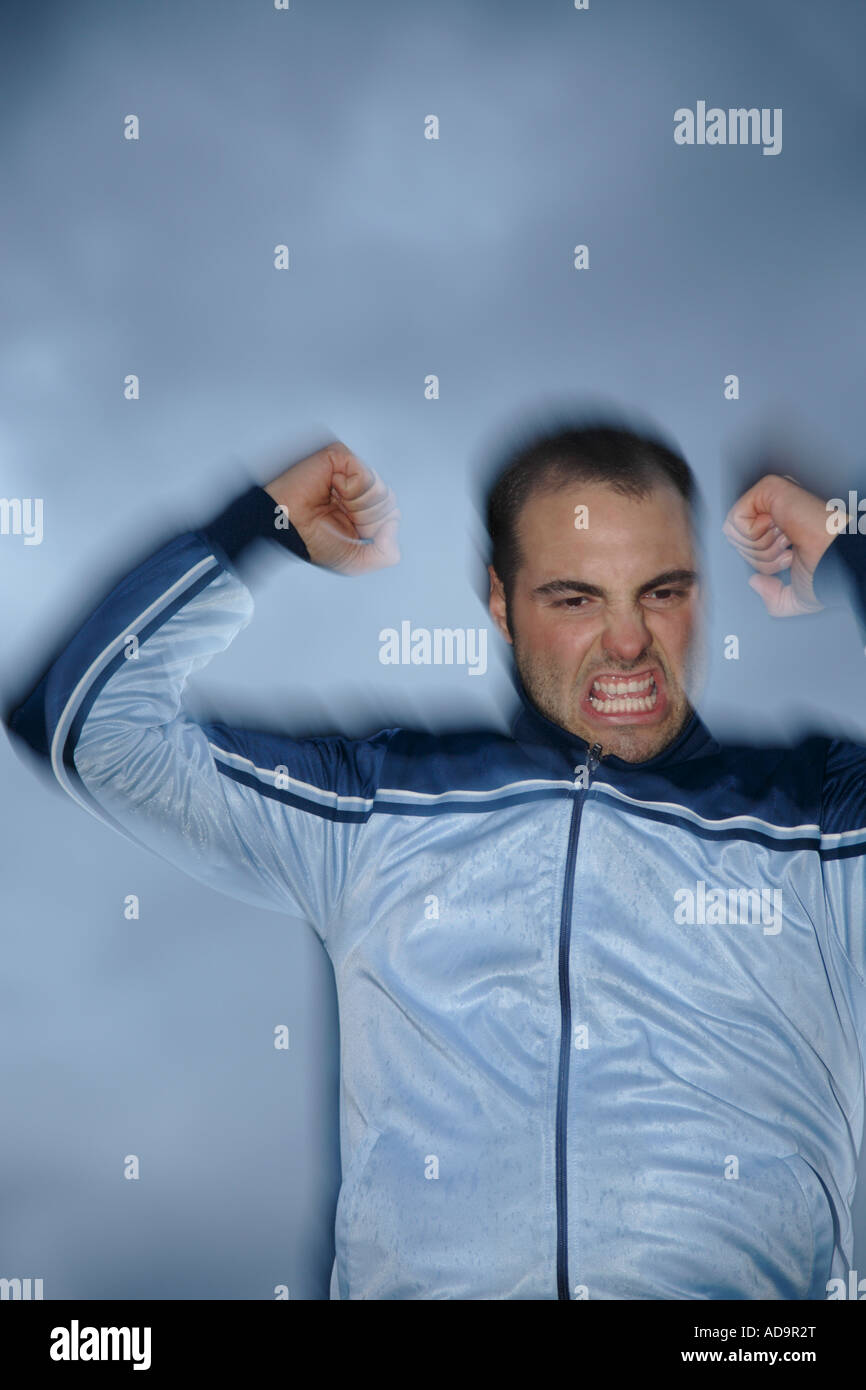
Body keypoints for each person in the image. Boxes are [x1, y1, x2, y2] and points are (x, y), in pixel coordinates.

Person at [5, 420, 866, 1301]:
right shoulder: (378, 801)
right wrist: (251, 527)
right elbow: (87, 722)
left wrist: (850, 536)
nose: (627, 643)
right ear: (500, 603)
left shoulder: (820, 817)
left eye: (663, 592)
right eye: (575, 599)